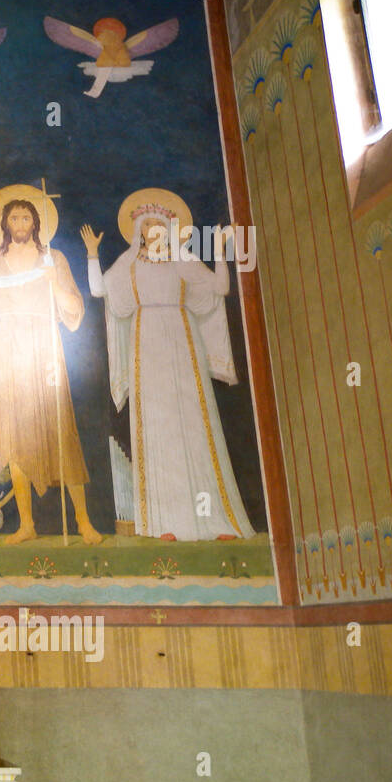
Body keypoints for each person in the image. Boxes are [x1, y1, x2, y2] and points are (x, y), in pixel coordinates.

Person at [0, 186, 101, 544]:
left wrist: (54, 283)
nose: (20, 222)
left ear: (36, 223)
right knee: (14, 437)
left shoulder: (52, 259)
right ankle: (27, 524)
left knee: (61, 429)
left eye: (26, 217)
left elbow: (73, 310)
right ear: (4, 223)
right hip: (8, 344)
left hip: (44, 343)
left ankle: (84, 522)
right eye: (14, 217)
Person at [84, 189, 255, 541]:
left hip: (182, 341)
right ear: (139, 232)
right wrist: (91, 255)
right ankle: (166, 524)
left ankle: (214, 521)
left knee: (194, 424)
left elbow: (220, 288)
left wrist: (220, 252)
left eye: (159, 224)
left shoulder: (183, 260)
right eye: (147, 225)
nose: (153, 229)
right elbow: (100, 290)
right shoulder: (129, 263)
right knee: (157, 429)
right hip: (146, 347)